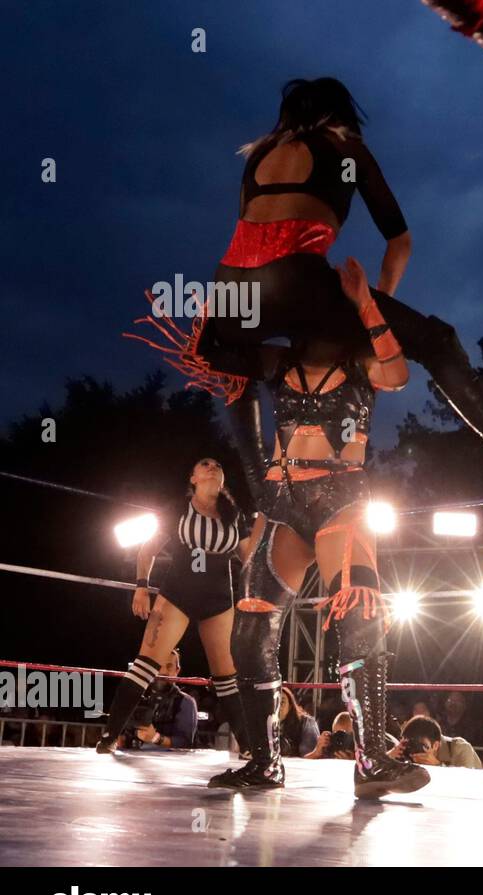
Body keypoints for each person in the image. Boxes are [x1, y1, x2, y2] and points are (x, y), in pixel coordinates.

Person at [130, 77, 483, 505]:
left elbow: (255, 231)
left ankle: (260, 489)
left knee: (245, 368)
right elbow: (399, 242)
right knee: (436, 341)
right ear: (342, 114)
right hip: (296, 282)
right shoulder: (347, 148)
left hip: (227, 295)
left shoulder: (259, 154)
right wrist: (373, 316)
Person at [203, 257, 428, 798]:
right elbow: (213, 351)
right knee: (251, 630)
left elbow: (398, 374)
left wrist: (365, 300)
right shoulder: (278, 361)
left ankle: (372, 761)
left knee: (360, 612)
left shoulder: (359, 362)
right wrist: (231, 292)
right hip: (283, 503)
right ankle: (264, 761)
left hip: (339, 502)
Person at [97, 459, 250, 754]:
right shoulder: (179, 509)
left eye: (218, 465)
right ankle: (109, 735)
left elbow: (250, 559)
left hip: (218, 600)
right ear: (192, 477)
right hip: (178, 594)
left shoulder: (234, 515)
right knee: (145, 663)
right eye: (204, 465)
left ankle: (247, 746)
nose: (212, 467)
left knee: (226, 676)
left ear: (223, 477)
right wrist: (141, 586)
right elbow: (148, 549)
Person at [105, 650, 199, 751]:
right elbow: (123, 736)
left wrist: (156, 738)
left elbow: (186, 743)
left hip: (171, 762)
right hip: (135, 759)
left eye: (169, 666)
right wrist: (120, 738)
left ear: (177, 671)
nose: (162, 671)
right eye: (158, 666)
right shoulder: (137, 698)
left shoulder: (185, 702)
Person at [389, 716, 482, 769]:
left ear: (436, 745)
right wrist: (389, 757)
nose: (415, 751)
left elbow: (466, 783)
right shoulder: (405, 752)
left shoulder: (461, 748)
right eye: (411, 745)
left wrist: (438, 766)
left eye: (421, 745)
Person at [277, 686, 320, 757]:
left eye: (282, 702)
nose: (278, 707)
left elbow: (310, 754)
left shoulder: (306, 723)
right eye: (274, 702)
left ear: (290, 706)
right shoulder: (264, 725)